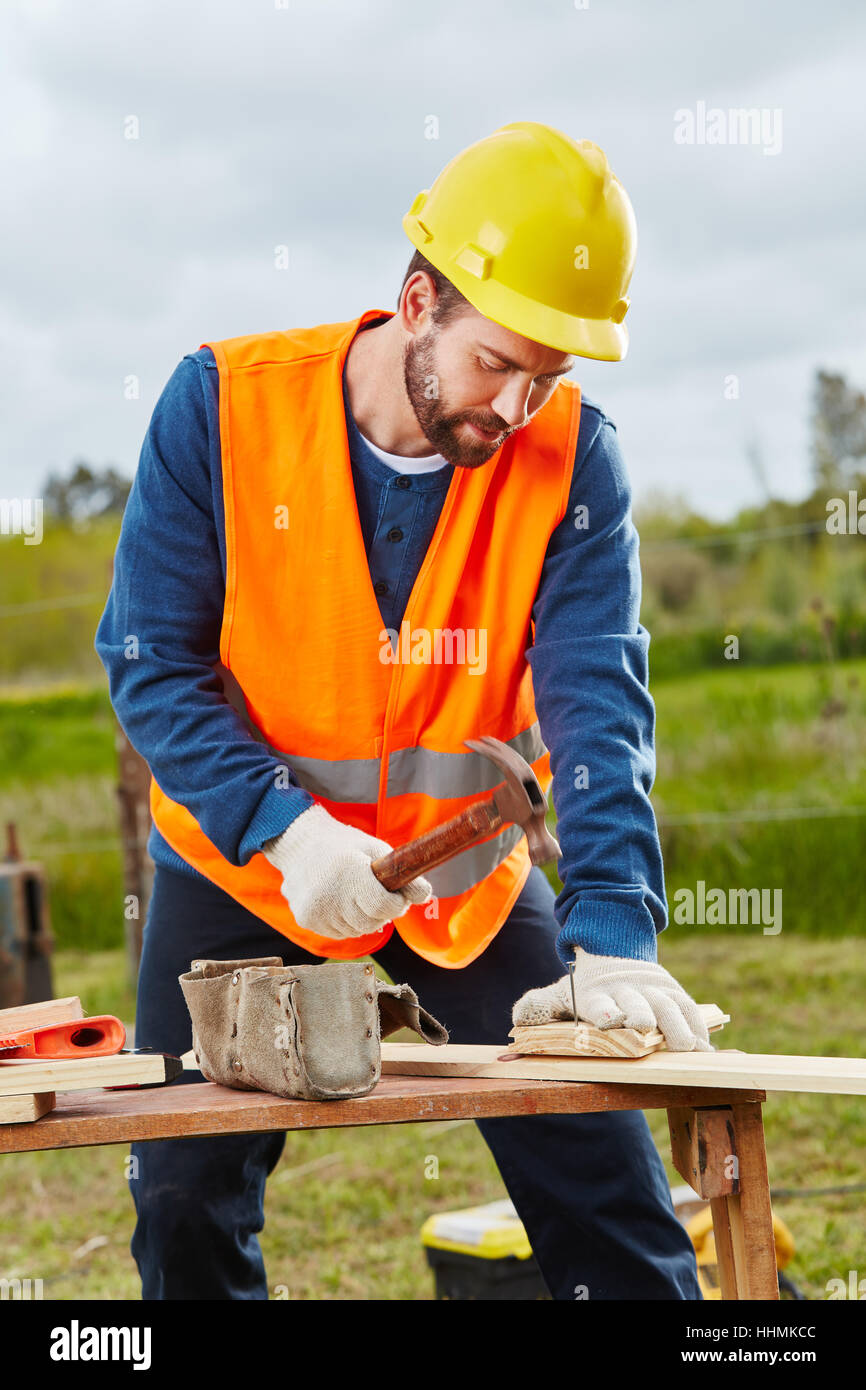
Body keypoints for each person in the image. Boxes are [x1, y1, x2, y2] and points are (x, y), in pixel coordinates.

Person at [95, 121, 709, 1301]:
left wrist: (613, 937)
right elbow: (150, 662)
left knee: (605, 1185)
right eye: (498, 362)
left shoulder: (576, 461)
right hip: (245, 869)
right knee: (181, 1202)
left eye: (551, 376)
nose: (519, 405)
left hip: (459, 884)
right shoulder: (218, 407)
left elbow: (597, 706)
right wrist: (283, 826)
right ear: (418, 298)